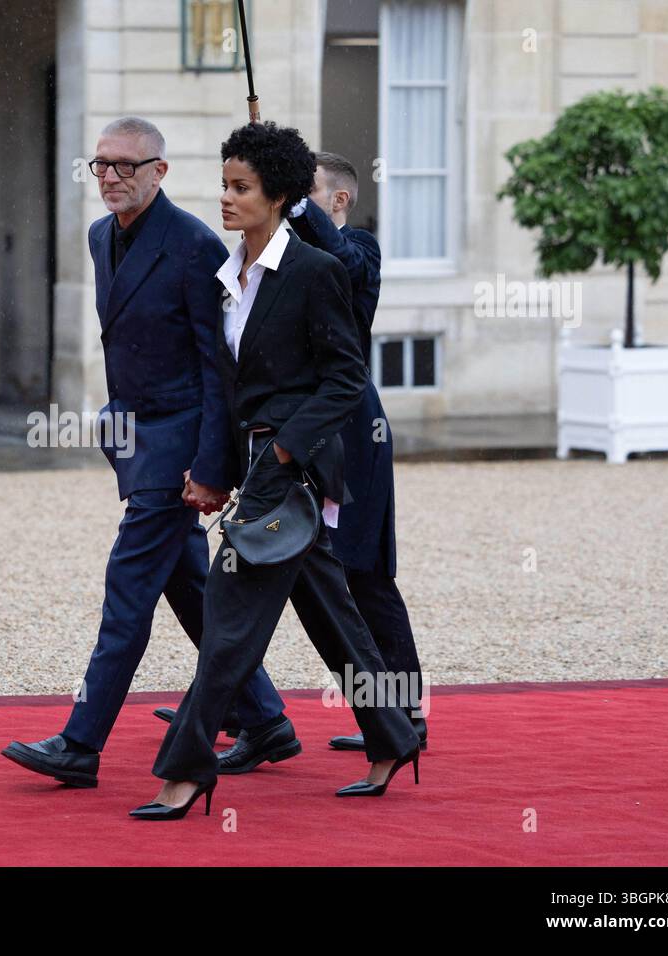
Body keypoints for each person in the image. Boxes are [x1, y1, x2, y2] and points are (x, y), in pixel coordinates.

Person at [131, 122, 421, 820]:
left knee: (229, 621)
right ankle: (392, 733)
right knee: (333, 616)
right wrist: (216, 471)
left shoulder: (318, 272)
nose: (226, 198)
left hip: (291, 473)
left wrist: (286, 452)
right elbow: (229, 390)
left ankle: (187, 769)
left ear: (281, 196)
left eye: (242, 188)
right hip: (257, 468)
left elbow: (346, 378)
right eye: (225, 185)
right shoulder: (227, 278)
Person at [1, 117, 297, 790]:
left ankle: (81, 743)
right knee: (189, 588)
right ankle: (265, 718)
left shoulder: (196, 246)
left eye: (125, 166)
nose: (110, 177)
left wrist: (211, 464)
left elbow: (216, 366)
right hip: (133, 440)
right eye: (100, 165)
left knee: (126, 591)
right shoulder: (100, 235)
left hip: (179, 450)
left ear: (159, 171)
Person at [291, 152, 429, 750]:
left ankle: (405, 718)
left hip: (354, 434)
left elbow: (345, 269)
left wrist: (295, 202)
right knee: (289, 574)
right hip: (297, 430)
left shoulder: (359, 248)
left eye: (308, 191)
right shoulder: (289, 253)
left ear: (338, 201)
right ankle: (244, 709)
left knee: (363, 575)